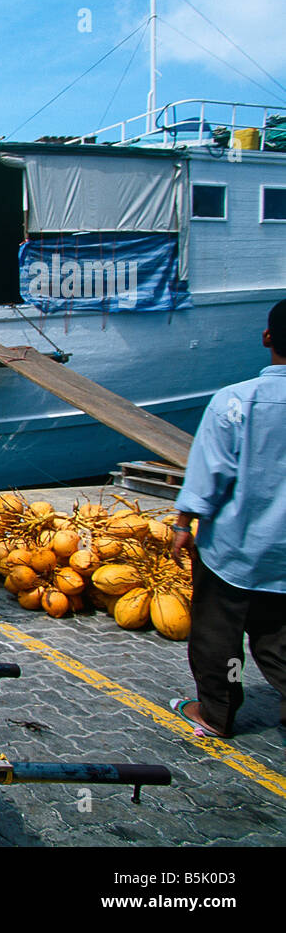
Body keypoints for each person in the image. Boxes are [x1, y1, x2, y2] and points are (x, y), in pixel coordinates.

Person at [169, 299, 286, 740]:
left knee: (219, 635)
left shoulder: (236, 402)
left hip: (233, 550)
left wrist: (183, 525)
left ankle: (216, 712)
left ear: (267, 337)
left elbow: (209, 475)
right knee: (277, 638)